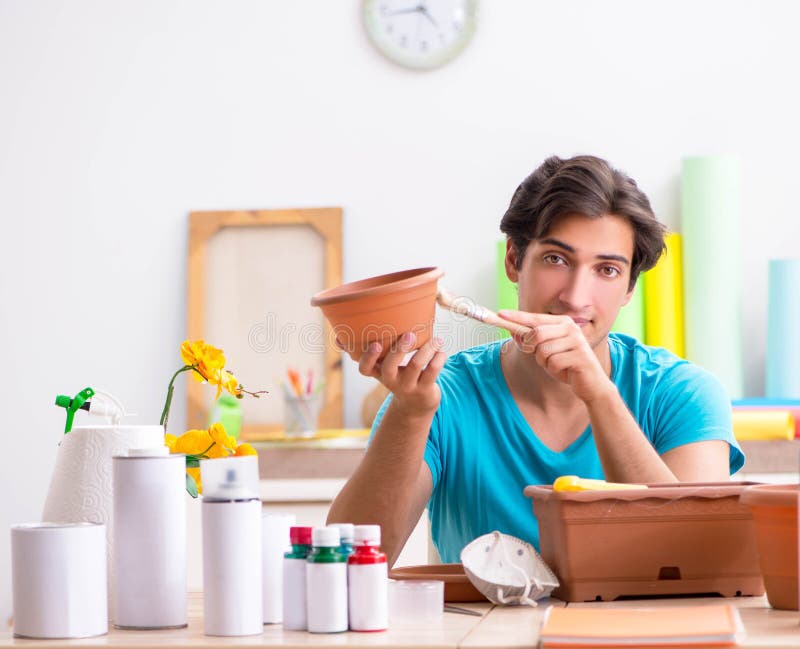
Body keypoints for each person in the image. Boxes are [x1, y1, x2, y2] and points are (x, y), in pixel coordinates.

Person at [327, 155, 743, 566]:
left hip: (641, 634)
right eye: (556, 260)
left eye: (608, 270)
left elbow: (697, 558)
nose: (576, 297)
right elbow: (346, 563)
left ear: (630, 288)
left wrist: (599, 394)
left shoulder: (684, 393)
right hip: (485, 634)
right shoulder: (442, 396)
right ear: (513, 260)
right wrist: (411, 413)